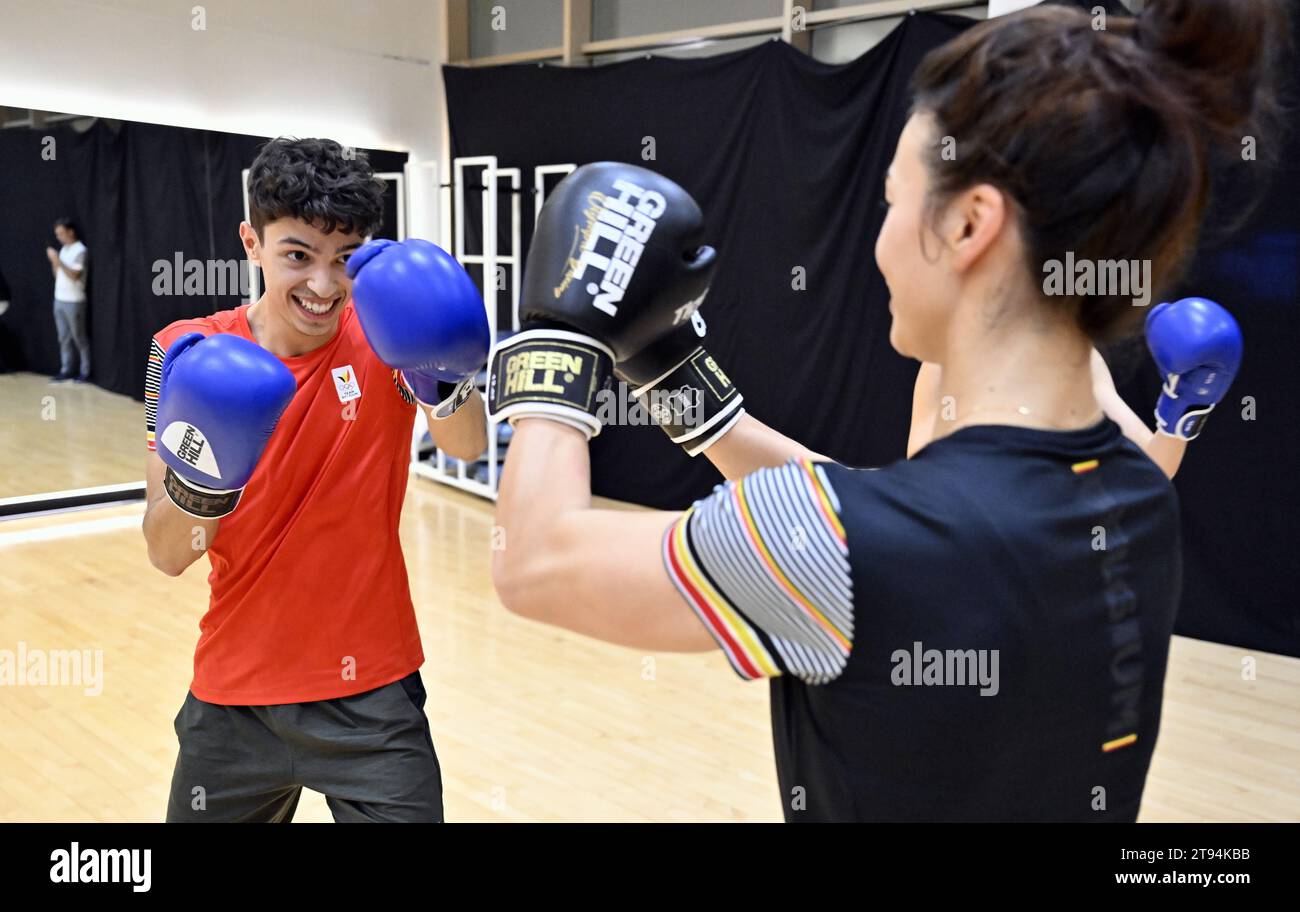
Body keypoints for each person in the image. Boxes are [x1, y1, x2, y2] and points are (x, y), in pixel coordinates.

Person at [484, 0, 1278, 822]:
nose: (881, 240)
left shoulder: (853, 542)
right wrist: (667, 373)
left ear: (970, 224)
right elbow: (887, 526)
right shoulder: (1136, 497)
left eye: (894, 202)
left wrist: (561, 336)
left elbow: (536, 562)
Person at [143, 137, 489, 822]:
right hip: (234, 701)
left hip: (374, 701)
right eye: (298, 256)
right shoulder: (186, 348)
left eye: (344, 260)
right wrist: (210, 476)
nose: (325, 286)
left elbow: (470, 448)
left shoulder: (386, 334)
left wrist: (440, 381)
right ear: (252, 242)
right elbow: (167, 552)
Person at [46, 217, 89, 382]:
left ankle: (85, 370)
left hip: (74, 300)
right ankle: (66, 369)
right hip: (59, 299)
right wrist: (54, 263)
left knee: (79, 336)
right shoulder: (63, 250)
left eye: (61, 233)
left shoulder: (80, 250)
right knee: (63, 337)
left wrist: (58, 261)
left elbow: (74, 275)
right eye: (57, 234)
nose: (59, 237)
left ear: (70, 232)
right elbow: (58, 275)